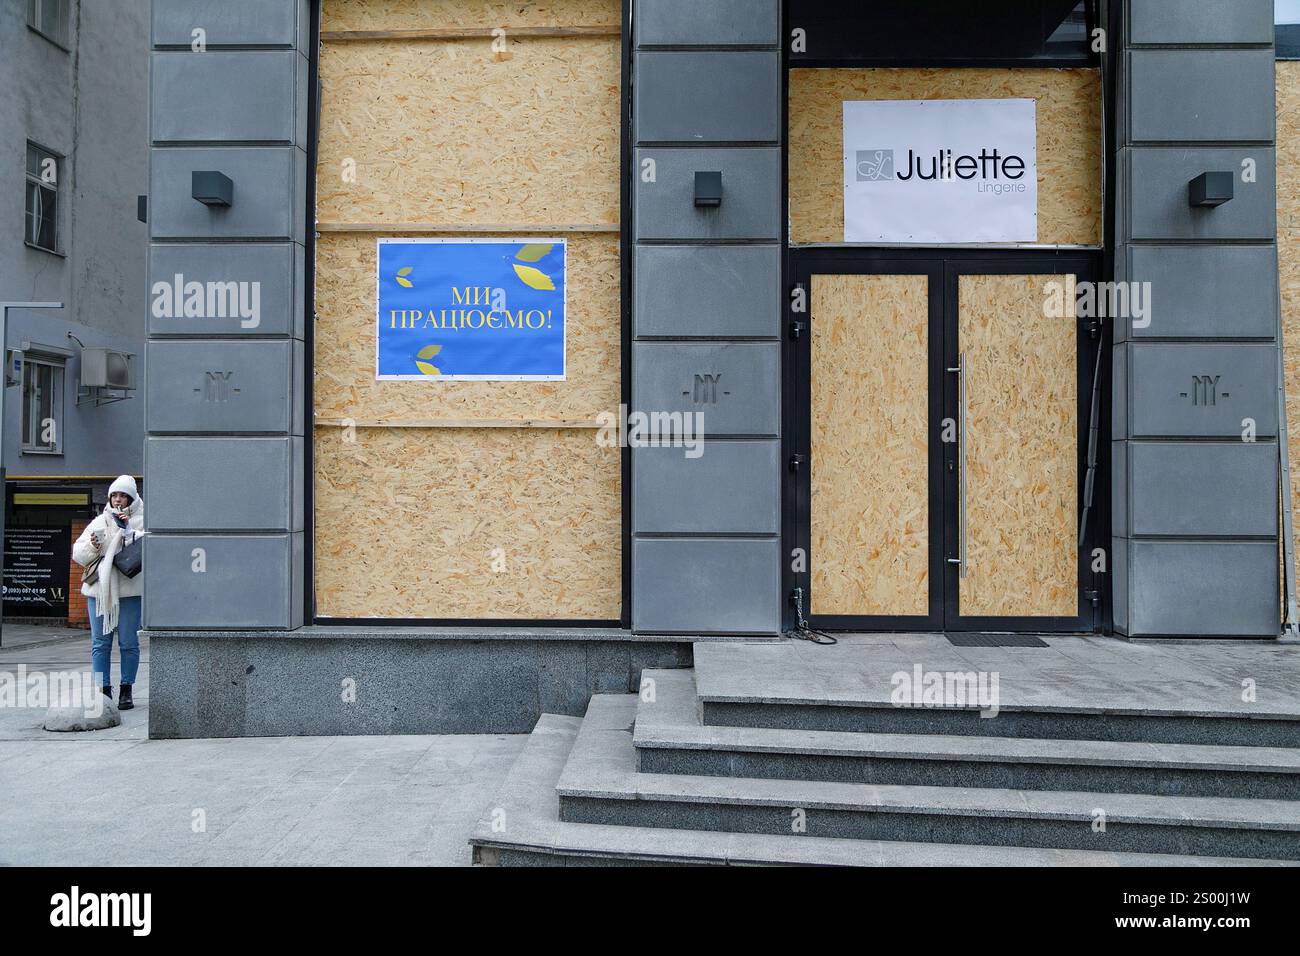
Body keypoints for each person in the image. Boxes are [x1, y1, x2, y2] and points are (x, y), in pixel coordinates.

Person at [72, 475, 144, 710]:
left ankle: (126, 690)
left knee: (129, 643)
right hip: (99, 592)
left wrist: (128, 530)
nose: (119, 500)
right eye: (115, 495)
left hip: (130, 591)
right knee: (100, 643)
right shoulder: (99, 521)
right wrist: (93, 545)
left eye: (123, 495)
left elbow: (147, 549)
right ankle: (103, 691)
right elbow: (79, 554)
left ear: (132, 498)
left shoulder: (142, 522)